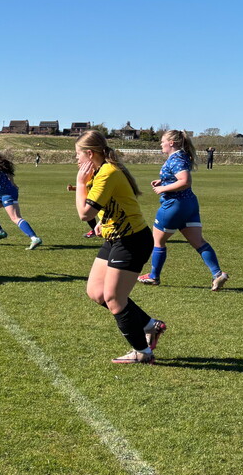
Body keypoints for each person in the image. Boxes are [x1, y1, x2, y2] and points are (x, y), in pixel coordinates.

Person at [74, 131, 166, 364]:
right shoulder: (100, 171)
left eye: (77, 155)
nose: (76, 159)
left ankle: (142, 352)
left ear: (89, 153)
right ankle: (148, 324)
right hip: (115, 238)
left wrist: (79, 184)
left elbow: (85, 213)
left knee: (114, 298)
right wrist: (103, 223)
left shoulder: (107, 173)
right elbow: (114, 203)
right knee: (96, 292)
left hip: (132, 240)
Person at [137, 130, 229, 291]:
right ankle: (217, 274)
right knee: (198, 242)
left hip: (174, 205)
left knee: (158, 241)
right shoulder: (181, 156)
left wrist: (164, 188)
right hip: (189, 205)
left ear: (171, 143)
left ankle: (153, 276)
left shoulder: (176, 158)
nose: (161, 144)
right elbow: (179, 177)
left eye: (162, 141)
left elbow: (185, 181)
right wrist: (164, 180)